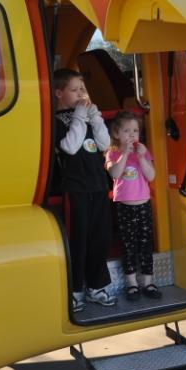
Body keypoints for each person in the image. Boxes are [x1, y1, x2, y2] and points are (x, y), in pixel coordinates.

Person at [54, 68, 114, 311]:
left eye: (83, 89)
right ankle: (75, 288)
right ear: (59, 93)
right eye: (75, 90)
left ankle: (96, 286)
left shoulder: (87, 116)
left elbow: (104, 144)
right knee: (78, 238)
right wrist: (78, 116)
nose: (81, 94)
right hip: (75, 187)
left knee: (99, 237)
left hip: (98, 185)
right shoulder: (57, 121)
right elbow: (70, 146)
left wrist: (95, 117)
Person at [105, 111, 160, 301]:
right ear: (116, 134)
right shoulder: (112, 153)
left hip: (143, 204)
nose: (132, 135)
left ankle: (148, 282)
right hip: (125, 207)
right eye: (127, 131)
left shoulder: (143, 154)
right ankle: (132, 285)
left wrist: (143, 157)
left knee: (145, 244)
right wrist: (124, 156)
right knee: (128, 245)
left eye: (135, 131)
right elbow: (115, 174)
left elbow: (151, 176)